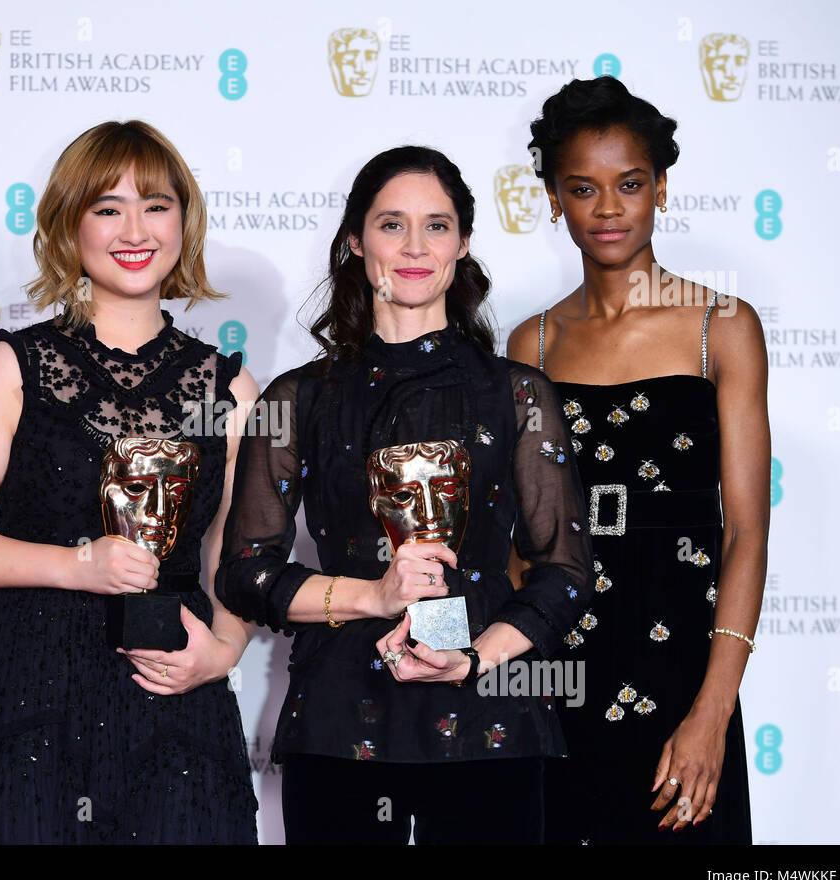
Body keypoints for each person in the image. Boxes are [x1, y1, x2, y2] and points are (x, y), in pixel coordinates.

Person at [215, 146, 593, 844]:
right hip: (339, 723)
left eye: (437, 225)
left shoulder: (517, 394)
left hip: (490, 726)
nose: (415, 247)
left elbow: (566, 573)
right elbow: (245, 571)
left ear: (465, 241)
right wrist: (373, 597)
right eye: (392, 225)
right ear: (356, 240)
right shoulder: (300, 398)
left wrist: (476, 656)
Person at [0, 120, 260, 844]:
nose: (135, 228)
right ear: (70, 226)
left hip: (174, 697)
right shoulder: (16, 365)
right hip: (26, 694)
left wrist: (223, 651)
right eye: (107, 207)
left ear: (184, 221)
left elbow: (235, 547)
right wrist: (75, 565)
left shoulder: (231, 385)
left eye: (156, 205)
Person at [507, 75, 767, 844]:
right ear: (555, 198)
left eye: (630, 184)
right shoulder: (533, 344)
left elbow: (746, 531)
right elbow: (528, 541)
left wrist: (713, 710)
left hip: (683, 659)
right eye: (583, 188)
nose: (609, 209)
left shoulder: (721, 326)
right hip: (561, 662)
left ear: (661, 187)